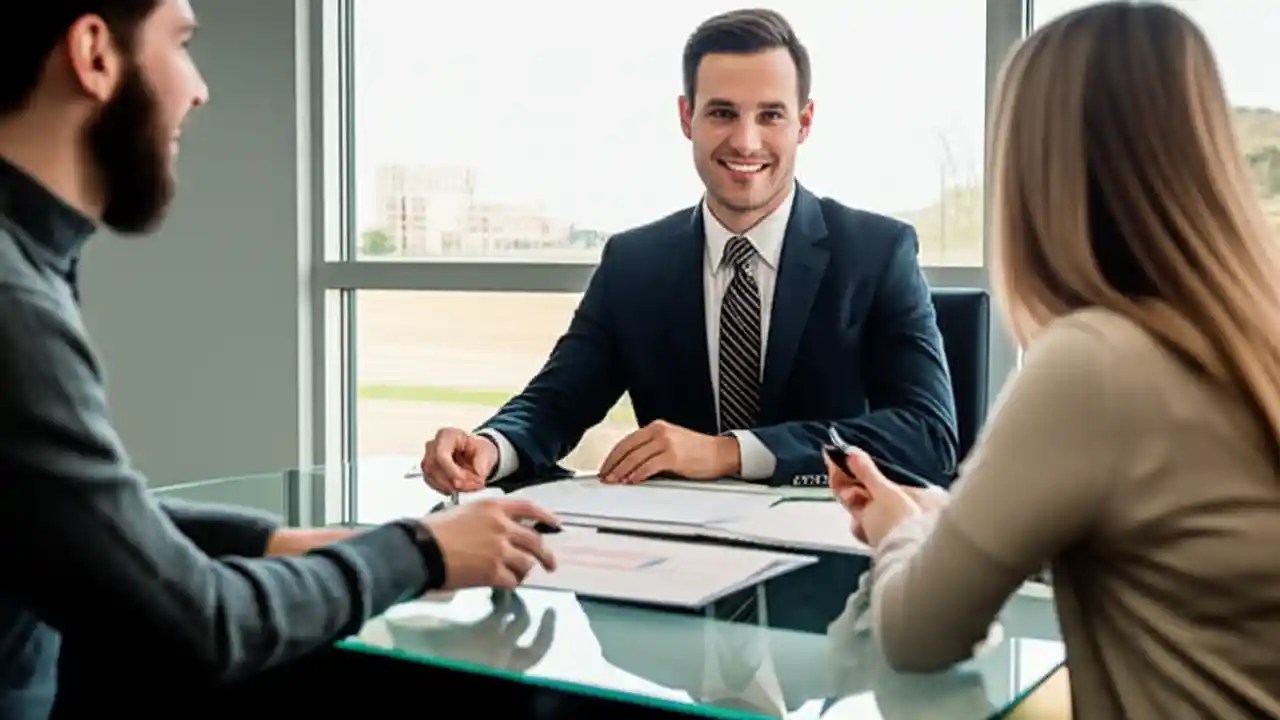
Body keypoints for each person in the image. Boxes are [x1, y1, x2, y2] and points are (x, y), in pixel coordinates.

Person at [0, 2, 558, 717]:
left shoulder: (29, 264)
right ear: (94, 54)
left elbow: (90, 525)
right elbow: (201, 626)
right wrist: (419, 553)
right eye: (181, 42)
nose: (198, 88)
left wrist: (280, 542)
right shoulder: (15, 305)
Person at [827, 3, 1280, 717]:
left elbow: (920, 636)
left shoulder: (1098, 362)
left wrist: (896, 527)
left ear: (1036, 174)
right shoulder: (1247, 337)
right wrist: (947, 515)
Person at [421, 8, 957, 493]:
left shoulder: (876, 252)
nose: (746, 142)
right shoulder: (634, 264)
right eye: (722, 113)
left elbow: (928, 437)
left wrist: (729, 453)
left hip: (831, 565)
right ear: (687, 118)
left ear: (805, 123)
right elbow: (555, 403)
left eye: (770, 115)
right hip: (674, 567)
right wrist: (491, 447)